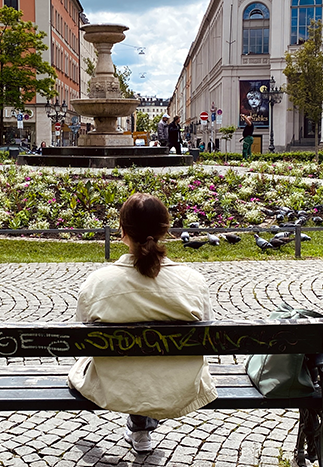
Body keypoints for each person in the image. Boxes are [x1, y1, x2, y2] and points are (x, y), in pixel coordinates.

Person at [67, 194, 216, 454]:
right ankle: (142, 427)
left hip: (114, 386)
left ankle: (139, 424)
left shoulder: (98, 283)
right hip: (178, 384)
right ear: (165, 230)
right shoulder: (192, 281)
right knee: (153, 367)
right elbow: (208, 329)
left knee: (99, 365)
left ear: (122, 231)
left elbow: (82, 335)